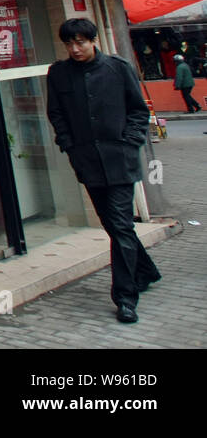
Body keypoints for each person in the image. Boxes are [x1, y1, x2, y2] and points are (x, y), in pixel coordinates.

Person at [46, 18, 161, 324]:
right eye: (70, 43)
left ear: (93, 40)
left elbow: (138, 109)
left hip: (120, 159)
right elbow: (56, 113)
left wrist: (131, 141)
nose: (75, 48)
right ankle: (146, 270)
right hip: (87, 161)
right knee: (112, 224)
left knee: (121, 226)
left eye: (81, 42)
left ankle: (125, 297)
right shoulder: (58, 74)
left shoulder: (117, 68)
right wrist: (69, 145)